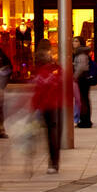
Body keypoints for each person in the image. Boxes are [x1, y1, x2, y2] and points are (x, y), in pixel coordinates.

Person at [31, 41, 62, 173]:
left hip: (51, 106)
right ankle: (53, 162)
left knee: (51, 134)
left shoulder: (52, 70)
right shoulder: (52, 70)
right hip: (52, 106)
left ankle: (53, 162)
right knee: (52, 134)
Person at [73, 42, 94, 128]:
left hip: (82, 79)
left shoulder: (81, 54)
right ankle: (84, 119)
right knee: (83, 99)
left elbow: (81, 67)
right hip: (82, 78)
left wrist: (75, 76)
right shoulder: (81, 54)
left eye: (76, 41)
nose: (73, 43)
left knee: (83, 99)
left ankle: (85, 120)